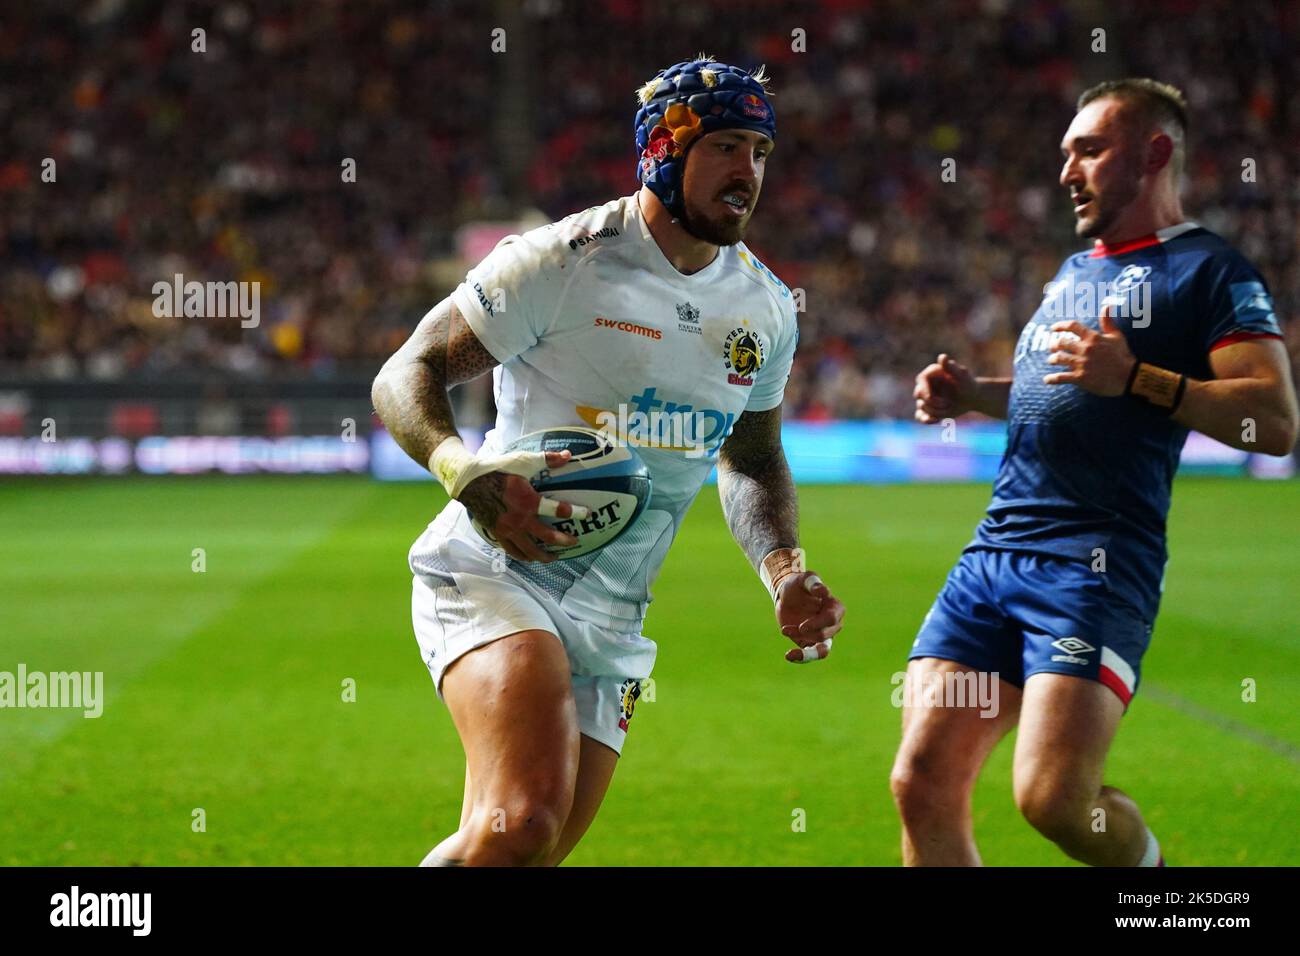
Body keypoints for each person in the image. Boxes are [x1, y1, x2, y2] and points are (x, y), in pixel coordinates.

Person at [371, 57, 845, 866]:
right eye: (727, 146)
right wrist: (463, 473)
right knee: (520, 822)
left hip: (616, 616)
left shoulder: (765, 309)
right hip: (500, 568)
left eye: (760, 153)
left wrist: (783, 568)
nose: (749, 173)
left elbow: (754, 458)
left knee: (514, 845)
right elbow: (403, 373)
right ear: (665, 147)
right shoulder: (561, 261)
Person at [894, 78, 1297, 866]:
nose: (1066, 171)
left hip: (1092, 567)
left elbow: (1274, 422)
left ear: (1153, 154)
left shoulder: (1212, 273)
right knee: (922, 780)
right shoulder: (1076, 269)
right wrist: (976, 395)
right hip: (992, 556)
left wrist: (1143, 378)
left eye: (1088, 149)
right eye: (1065, 153)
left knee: (1052, 799)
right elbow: (1068, 389)